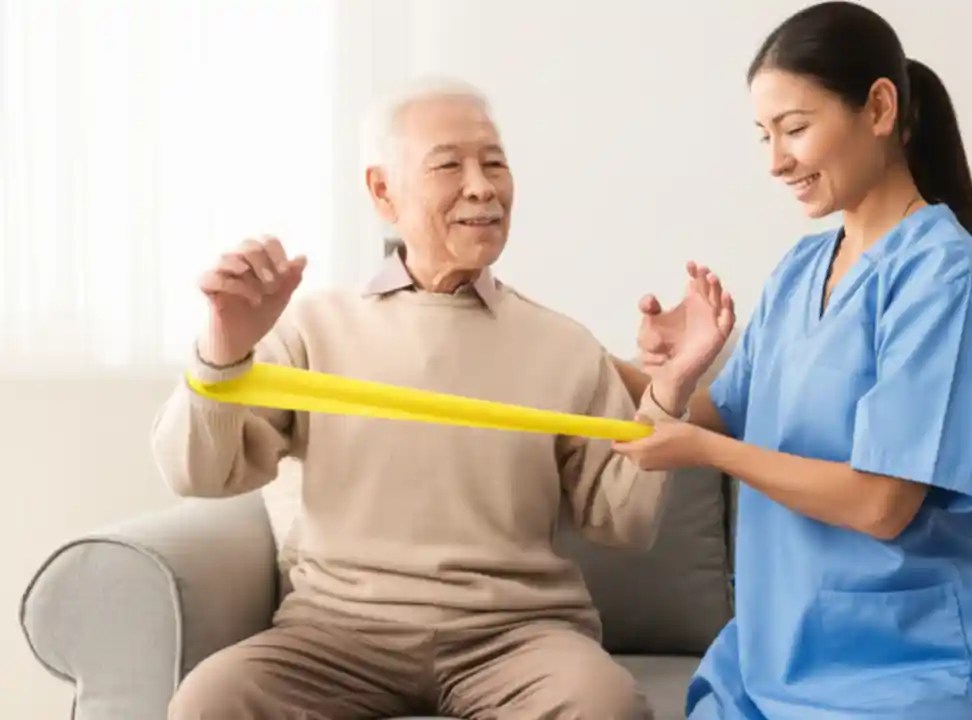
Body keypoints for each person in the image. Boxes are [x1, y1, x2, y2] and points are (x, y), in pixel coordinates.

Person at [152, 76, 723, 719]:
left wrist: (669, 391)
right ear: (382, 191)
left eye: (495, 163)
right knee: (211, 700)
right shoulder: (313, 328)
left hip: (516, 638)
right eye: (449, 165)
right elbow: (195, 472)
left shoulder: (562, 344)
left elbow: (624, 520)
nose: (481, 186)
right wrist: (223, 350)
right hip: (336, 635)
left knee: (604, 705)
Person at [610, 3, 972, 718]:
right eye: (764, 136)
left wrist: (709, 451)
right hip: (768, 662)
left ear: (878, 107)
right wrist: (666, 375)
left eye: (796, 129)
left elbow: (880, 504)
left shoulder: (948, 281)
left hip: (906, 672)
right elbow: (727, 414)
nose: (776, 161)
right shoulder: (801, 268)